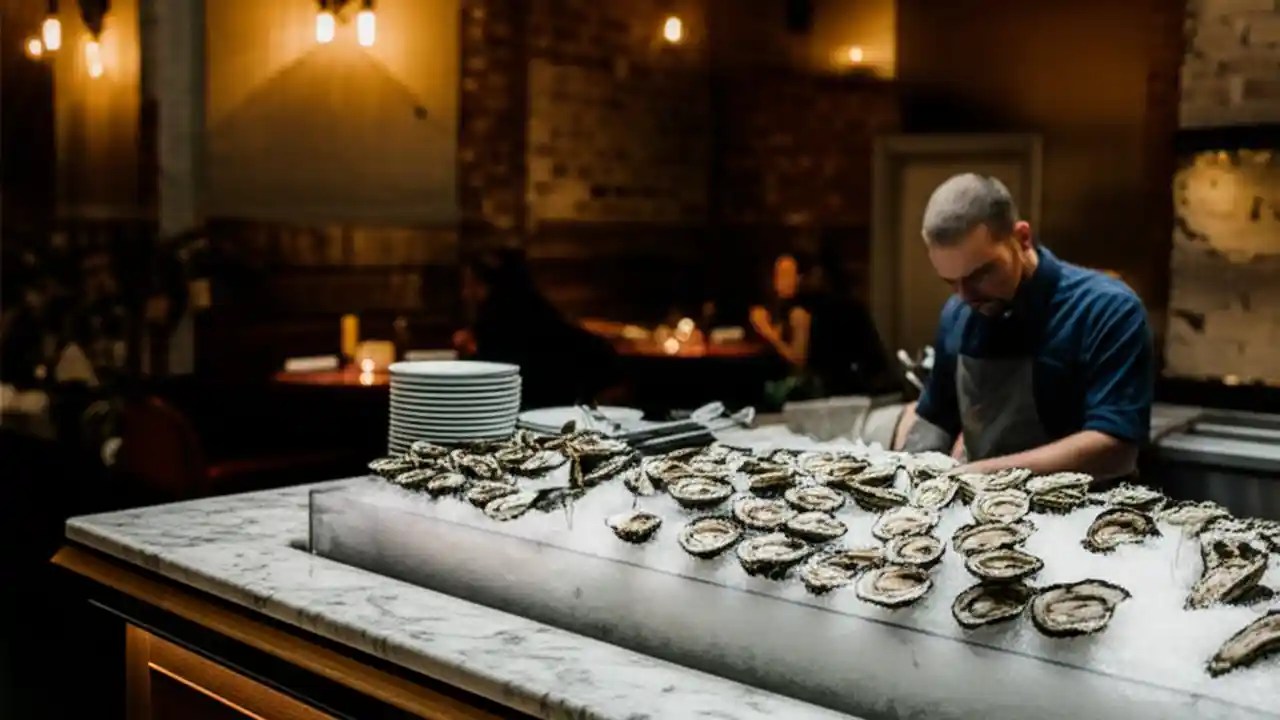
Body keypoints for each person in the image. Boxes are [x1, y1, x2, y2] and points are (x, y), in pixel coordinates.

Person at [897, 173, 1153, 480]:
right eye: (952, 282)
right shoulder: (957, 315)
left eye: (981, 274)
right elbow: (936, 419)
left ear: (1022, 238)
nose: (966, 296)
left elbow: (1116, 449)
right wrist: (905, 477)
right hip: (988, 514)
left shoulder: (1107, 310)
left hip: (1088, 516)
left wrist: (979, 474)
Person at [452, 248, 619, 409]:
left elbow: (491, 383)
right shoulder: (537, 312)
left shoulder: (506, 327)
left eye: (472, 285)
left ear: (493, 286)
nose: (466, 293)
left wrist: (471, 355)